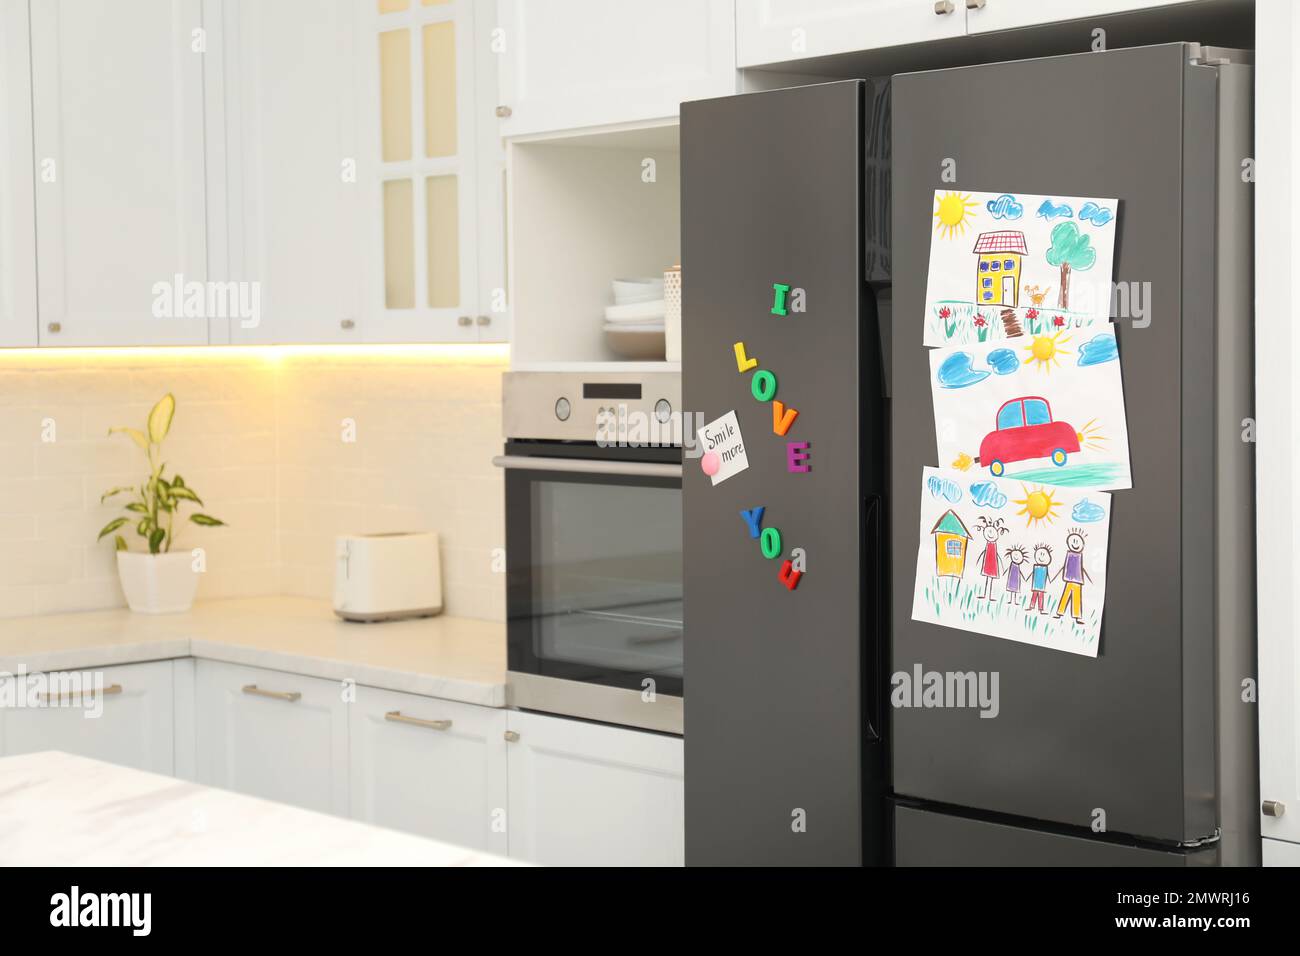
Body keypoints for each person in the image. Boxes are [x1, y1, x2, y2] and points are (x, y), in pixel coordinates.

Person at [1052, 530, 1092, 624]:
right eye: (1073, 541)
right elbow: (1064, 567)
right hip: (1069, 579)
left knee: (1076, 598)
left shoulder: (1079, 556)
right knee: (1065, 596)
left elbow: (1082, 568)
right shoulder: (1069, 555)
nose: (1075, 544)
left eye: (1077, 541)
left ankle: (1077, 617)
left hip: (1077, 581)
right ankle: (1060, 613)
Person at [974, 516, 1008, 600]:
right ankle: (985, 594)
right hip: (987, 563)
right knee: (987, 579)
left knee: (991, 579)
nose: (990, 534)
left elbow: (996, 554)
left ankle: (989, 595)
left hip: (992, 563)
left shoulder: (993, 545)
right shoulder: (988, 544)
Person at [1027, 544, 1052, 613]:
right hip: (1035, 585)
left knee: (1041, 596)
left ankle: (1040, 609)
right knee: (1034, 595)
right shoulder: (1036, 567)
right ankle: (1031, 607)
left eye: (1044, 554)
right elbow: (1032, 573)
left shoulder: (1045, 568)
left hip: (1041, 586)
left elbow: (1047, 576)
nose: (1041, 557)